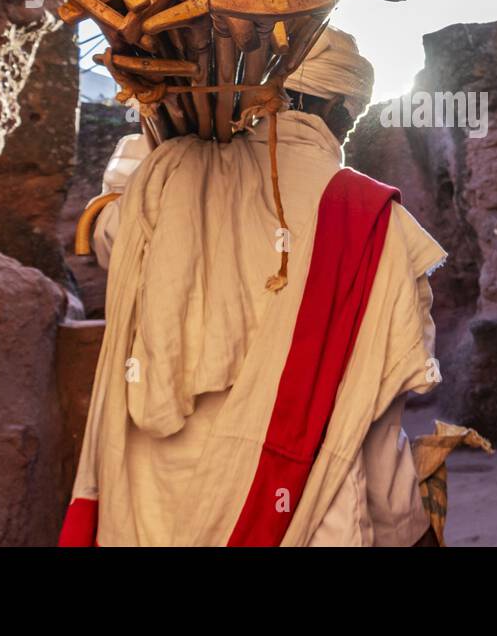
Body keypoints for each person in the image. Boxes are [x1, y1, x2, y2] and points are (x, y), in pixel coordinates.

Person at [60, 27, 444, 546]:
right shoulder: (378, 224)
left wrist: (142, 155)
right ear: (341, 111)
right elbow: (374, 423)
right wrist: (406, 527)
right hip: (304, 523)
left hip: (150, 513)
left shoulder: (167, 176)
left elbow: (110, 240)